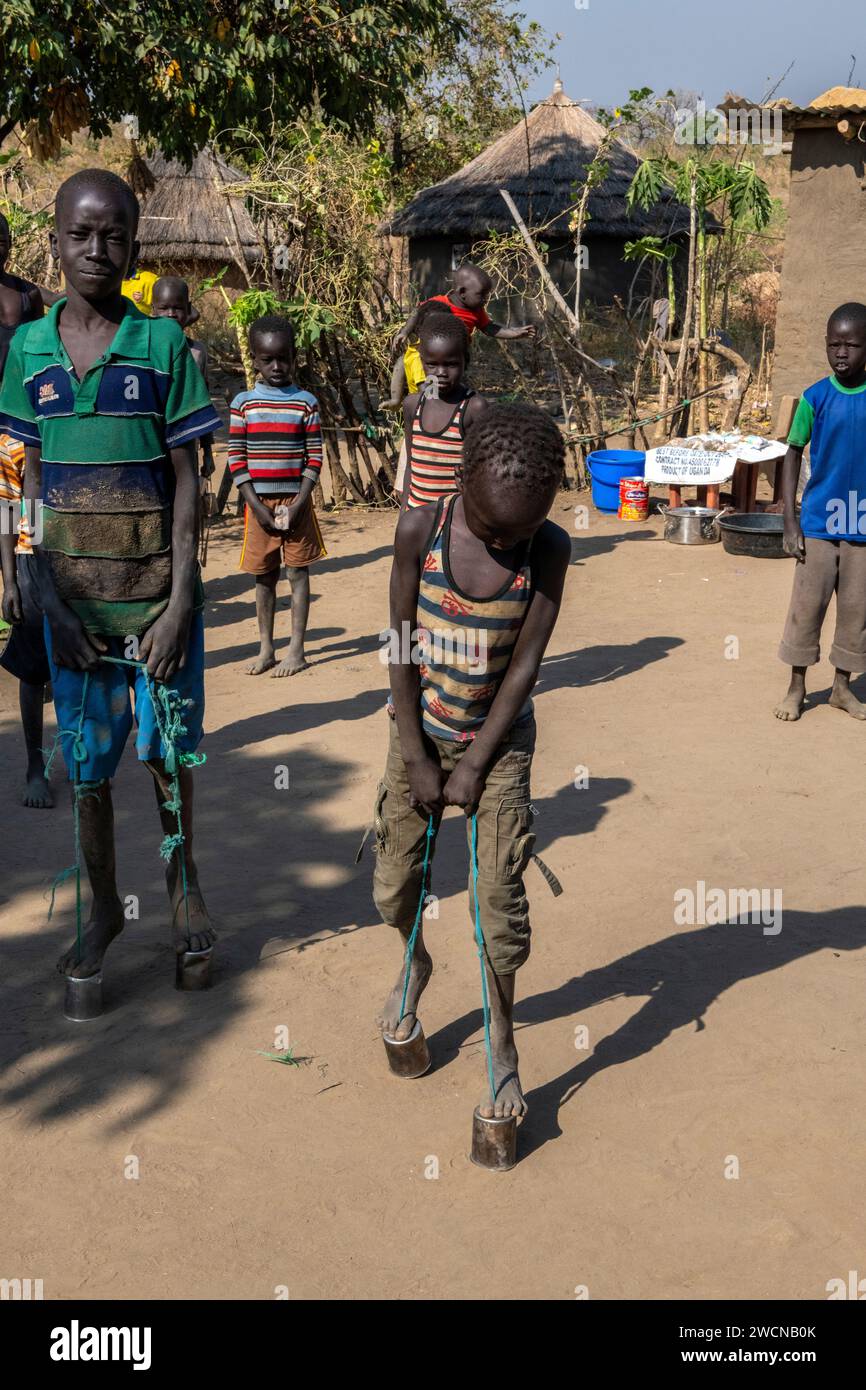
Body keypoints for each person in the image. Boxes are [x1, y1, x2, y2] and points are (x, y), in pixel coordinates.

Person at [0, 168, 223, 978]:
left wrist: (181, 600)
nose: (97, 250)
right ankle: (103, 910)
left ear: (135, 244)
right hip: (74, 617)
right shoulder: (27, 346)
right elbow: (24, 482)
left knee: (168, 757)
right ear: (54, 239)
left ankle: (181, 887)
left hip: (157, 606)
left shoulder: (163, 345)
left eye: (115, 236)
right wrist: (38, 591)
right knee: (88, 772)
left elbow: (189, 480)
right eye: (81, 234)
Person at [374, 402, 571, 1119]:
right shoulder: (419, 529)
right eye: (493, 529)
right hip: (419, 734)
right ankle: (413, 961)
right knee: (395, 885)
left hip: (501, 744)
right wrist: (417, 755)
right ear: (460, 481)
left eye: (522, 530)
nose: (507, 541)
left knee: (497, 905)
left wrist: (474, 764)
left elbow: (524, 668)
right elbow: (397, 644)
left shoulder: (547, 548)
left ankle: (505, 1046)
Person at [775, 302, 866, 722]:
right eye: (834, 345)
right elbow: (791, 454)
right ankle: (797, 687)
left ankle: (842, 688)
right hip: (818, 523)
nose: (841, 353)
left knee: (857, 611)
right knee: (806, 607)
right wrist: (789, 519)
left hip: (862, 526)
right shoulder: (815, 398)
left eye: (851, 345)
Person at [228, 315, 326, 677]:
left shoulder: (306, 403)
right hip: (258, 504)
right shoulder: (244, 404)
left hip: (297, 501)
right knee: (263, 576)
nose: (276, 366)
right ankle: (266, 646)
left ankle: (296, 649)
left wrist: (300, 503)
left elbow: (314, 456)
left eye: (283, 358)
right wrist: (255, 505)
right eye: (267, 359)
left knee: (298, 573)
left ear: (294, 357)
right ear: (253, 359)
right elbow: (236, 458)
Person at [0, 211, 51, 806]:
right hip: (10, 450)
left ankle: (70, 759)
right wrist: (13, 572)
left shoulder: (28, 300)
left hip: (49, 535)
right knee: (33, 655)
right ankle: (35, 763)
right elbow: (10, 504)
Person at [384, 262, 536, 409]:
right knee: (418, 377)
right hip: (431, 354)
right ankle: (402, 401)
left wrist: (516, 332)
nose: (485, 300)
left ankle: (437, 409)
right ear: (462, 292)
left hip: (453, 358)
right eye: (481, 295)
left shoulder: (477, 312)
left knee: (448, 388)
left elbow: (490, 328)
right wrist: (404, 331)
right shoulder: (439, 303)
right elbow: (417, 313)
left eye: (487, 295)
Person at [0, 433, 53, 807]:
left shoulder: (74, 421)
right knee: (34, 670)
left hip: (84, 557)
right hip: (30, 557)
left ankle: (82, 753)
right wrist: (9, 582)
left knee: (84, 661)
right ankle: (36, 764)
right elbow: (6, 509)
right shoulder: (12, 441)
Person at [401, 312, 486, 510]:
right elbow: (410, 466)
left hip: (457, 522)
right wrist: (404, 515)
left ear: (466, 361)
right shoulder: (413, 405)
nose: (441, 373)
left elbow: (484, 472)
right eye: (432, 364)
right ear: (422, 362)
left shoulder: (473, 408)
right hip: (417, 517)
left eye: (451, 364)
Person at [151, 276, 216, 484]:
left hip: (187, 442)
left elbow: (203, 402)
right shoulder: (143, 351)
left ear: (188, 309)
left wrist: (207, 450)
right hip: (150, 445)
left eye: (178, 308)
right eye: (164, 308)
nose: (171, 314)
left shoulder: (196, 352)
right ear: (153, 310)